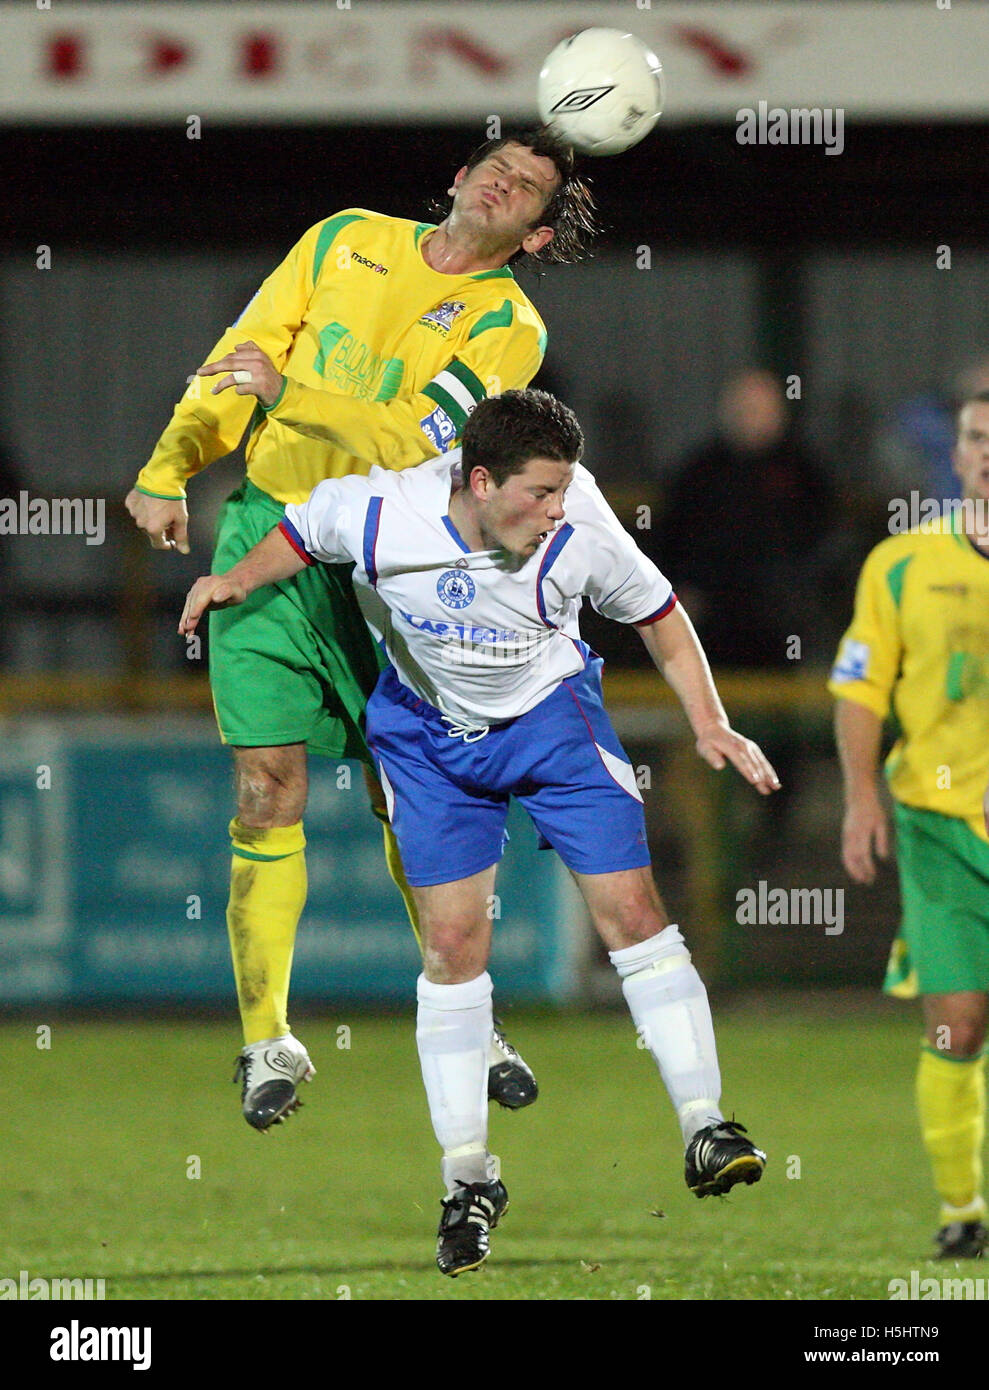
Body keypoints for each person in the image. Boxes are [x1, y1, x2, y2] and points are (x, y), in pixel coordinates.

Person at [179, 389, 777, 1277]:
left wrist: (710, 723)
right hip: (428, 742)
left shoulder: (583, 529)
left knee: (633, 916)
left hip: (550, 723)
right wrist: (231, 578)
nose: (556, 510)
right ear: (480, 480)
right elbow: (302, 531)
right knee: (452, 947)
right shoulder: (383, 510)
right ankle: (467, 1182)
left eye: (565, 489)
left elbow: (658, 616)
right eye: (539, 493)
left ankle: (704, 1124)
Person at [125, 129, 597, 1130]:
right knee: (267, 783)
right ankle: (266, 1041)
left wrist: (291, 394)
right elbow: (234, 367)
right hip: (269, 534)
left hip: (400, 564)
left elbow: (415, 441)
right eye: (493, 168)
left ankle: (467, 1011)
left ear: (534, 232)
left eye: (525, 188)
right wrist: (170, 466)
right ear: (458, 180)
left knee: (408, 796)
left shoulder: (509, 330)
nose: (499, 185)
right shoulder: (342, 239)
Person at [830, 388, 989, 1260]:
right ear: (957, 454)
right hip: (937, 826)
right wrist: (860, 796)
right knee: (955, 1025)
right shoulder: (900, 561)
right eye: (974, 438)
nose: (986, 453)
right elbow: (859, 687)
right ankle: (962, 1210)